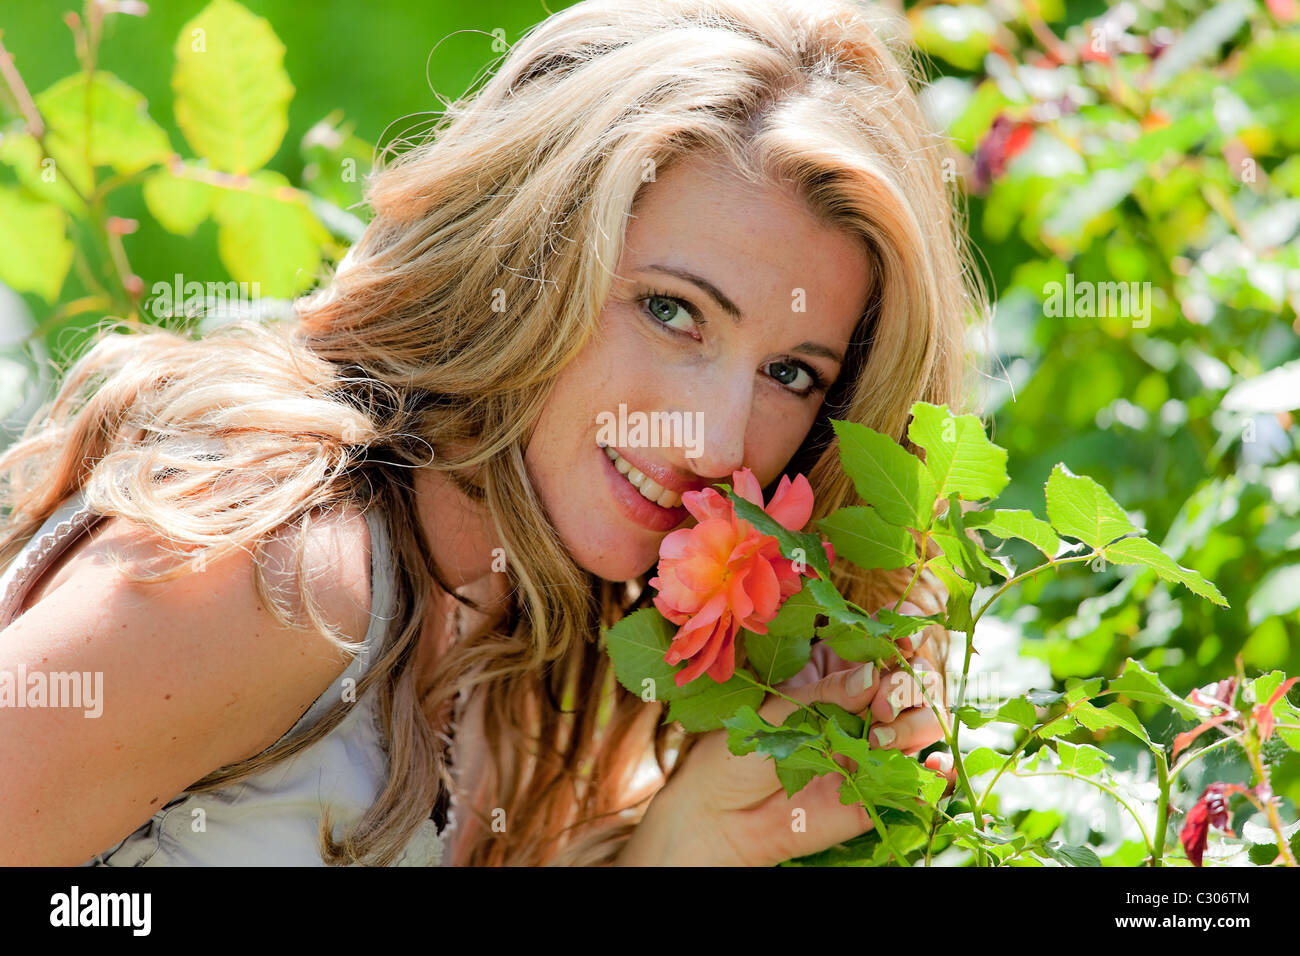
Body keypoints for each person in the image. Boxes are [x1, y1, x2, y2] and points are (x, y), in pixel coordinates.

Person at [0, 0, 987, 866]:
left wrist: (691, 844)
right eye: (674, 311)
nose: (721, 441)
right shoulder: (286, 576)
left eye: (790, 373)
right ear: (529, 256)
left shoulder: (522, 623)